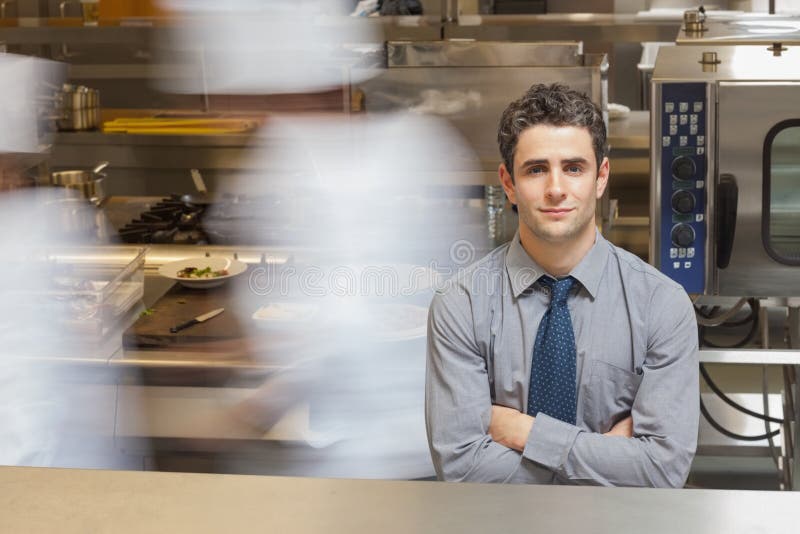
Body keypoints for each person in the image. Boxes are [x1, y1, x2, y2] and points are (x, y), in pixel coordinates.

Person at [425, 83, 699, 487]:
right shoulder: (461, 304)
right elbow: (463, 468)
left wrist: (523, 432)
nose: (556, 189)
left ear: (601, 177)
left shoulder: (661, 305)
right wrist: (607, 455)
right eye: (536, 169)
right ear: (508, 182)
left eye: (574, 168)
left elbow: (661, 470)